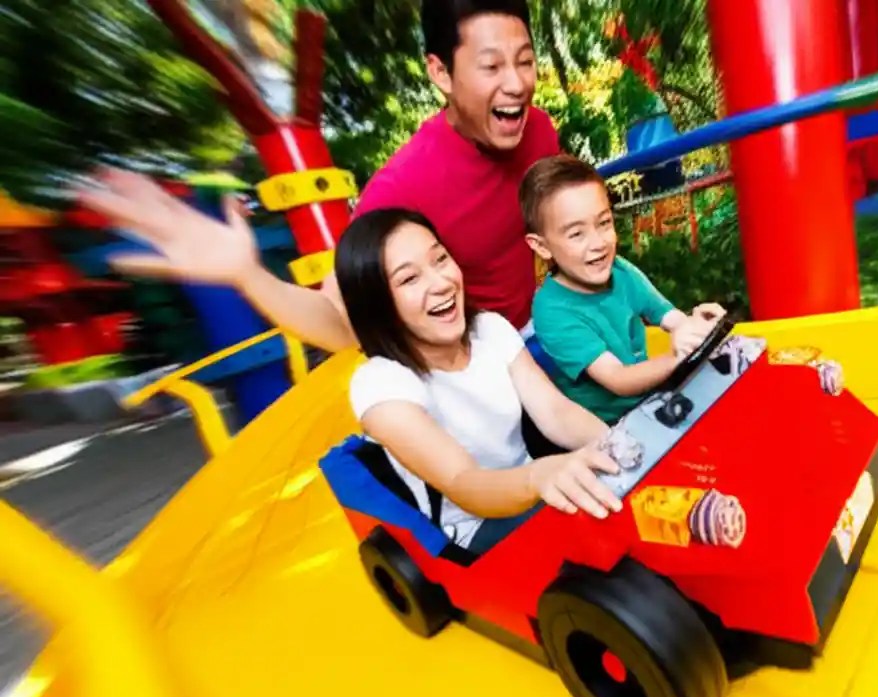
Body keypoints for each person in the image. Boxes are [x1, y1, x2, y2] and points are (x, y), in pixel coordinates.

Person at [90, 0, 558, 351]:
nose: (517, 83)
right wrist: (248, 276)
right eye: (491, 66)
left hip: (543, 332)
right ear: (440, 72)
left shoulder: (538, 130)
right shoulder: (403, 186)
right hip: (474, 366)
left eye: (525, 61)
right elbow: (338, 316)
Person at [340, 207, 623, 553]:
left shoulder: (489, 329)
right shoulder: (380, 384)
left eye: (440, 259)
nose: (441, 283)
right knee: (609, 530)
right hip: (474, 527)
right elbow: (464, 483)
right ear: (376, 304)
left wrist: (620, 447)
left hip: (536, 485)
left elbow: (556, 412)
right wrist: (540, 476)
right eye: (409, 279)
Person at [520, 154, 726, 425]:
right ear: (541, 246)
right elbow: (618, 379)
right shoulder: (551, 310)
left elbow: (669, 317)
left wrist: (698, 328)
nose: (598, 243)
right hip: (609, 426)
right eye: (576, 234)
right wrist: (678, 357)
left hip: (652, 397)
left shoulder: (619, 269)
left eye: (604, 223)